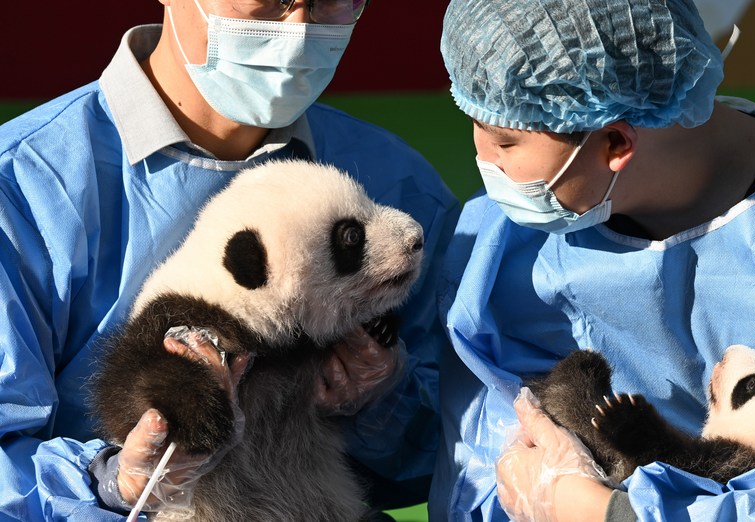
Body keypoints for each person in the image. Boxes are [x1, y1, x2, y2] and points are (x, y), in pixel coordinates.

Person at [431, 0, 755, 520]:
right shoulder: (499, 247)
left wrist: (613, 513)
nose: (484, 160)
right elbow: (479, 474)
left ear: (614, 141)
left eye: (505, 140)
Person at [0, 0, 459, 519]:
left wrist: (382, 399)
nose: (300, 28)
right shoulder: (20, 192)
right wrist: (110, 484)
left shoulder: (401, 179)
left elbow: (446, 460)